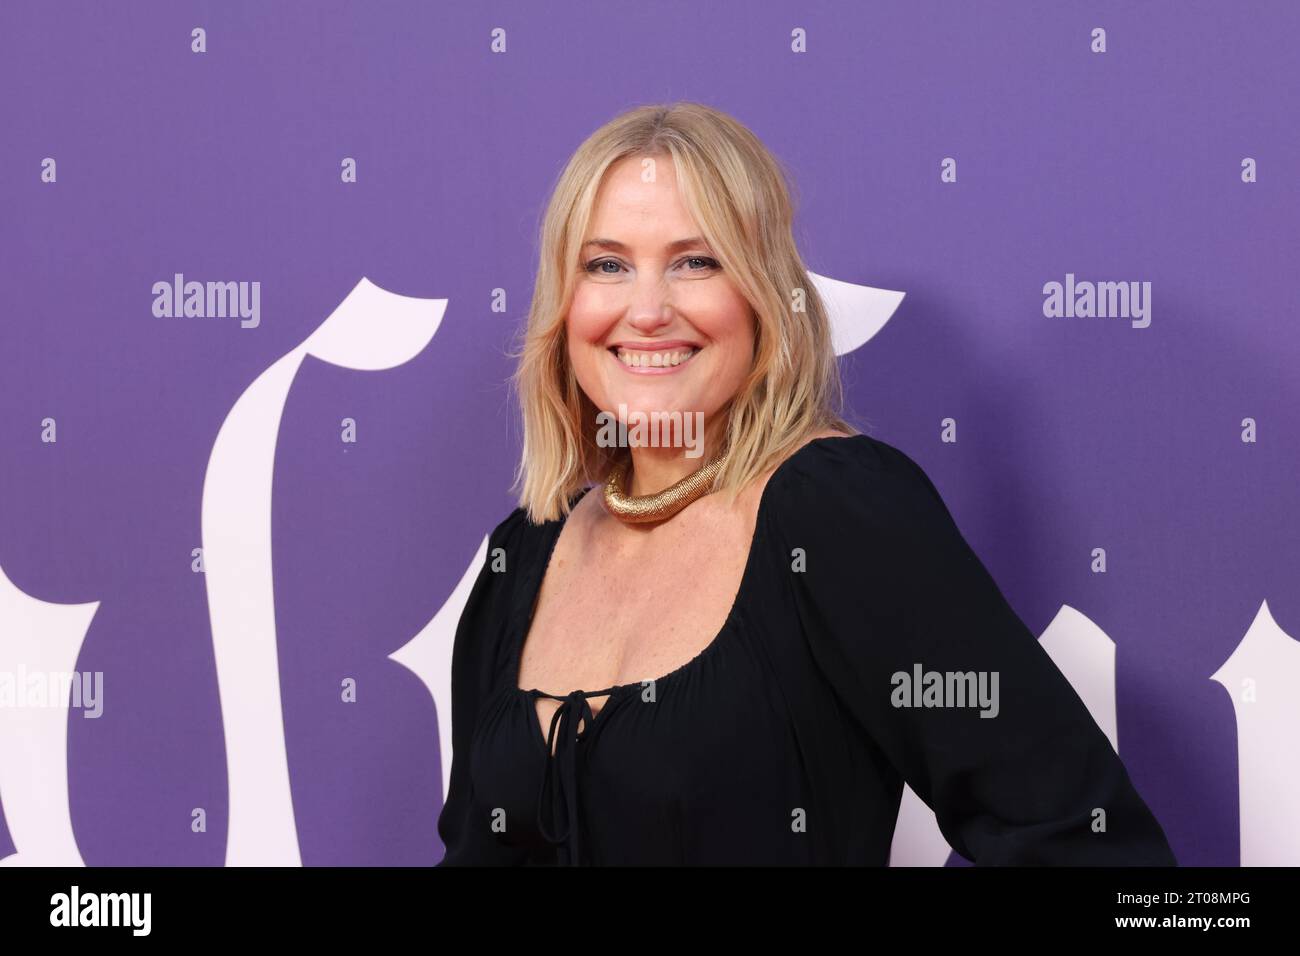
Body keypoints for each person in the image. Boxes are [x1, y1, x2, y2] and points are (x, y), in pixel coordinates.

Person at [436, 102, 1176, 866]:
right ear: (564, 304)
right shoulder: (523, 552)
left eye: (697, 261)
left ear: (764, 295)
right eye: (606, 264)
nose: (647, 310)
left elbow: (1086, 843)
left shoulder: (838, 512)